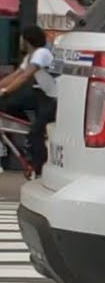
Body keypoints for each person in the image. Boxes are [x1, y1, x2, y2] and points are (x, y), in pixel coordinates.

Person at [0, 25, 58, 176]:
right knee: (11, 104)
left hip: (55, 98)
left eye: (21, 38)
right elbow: (15, 75)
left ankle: (39, 168)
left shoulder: (42, 53)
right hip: (43, 96)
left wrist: (5, 91)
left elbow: (25, 76)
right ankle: (26, 127)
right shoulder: (30, 56)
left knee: (36, 133)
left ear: (27, 40)